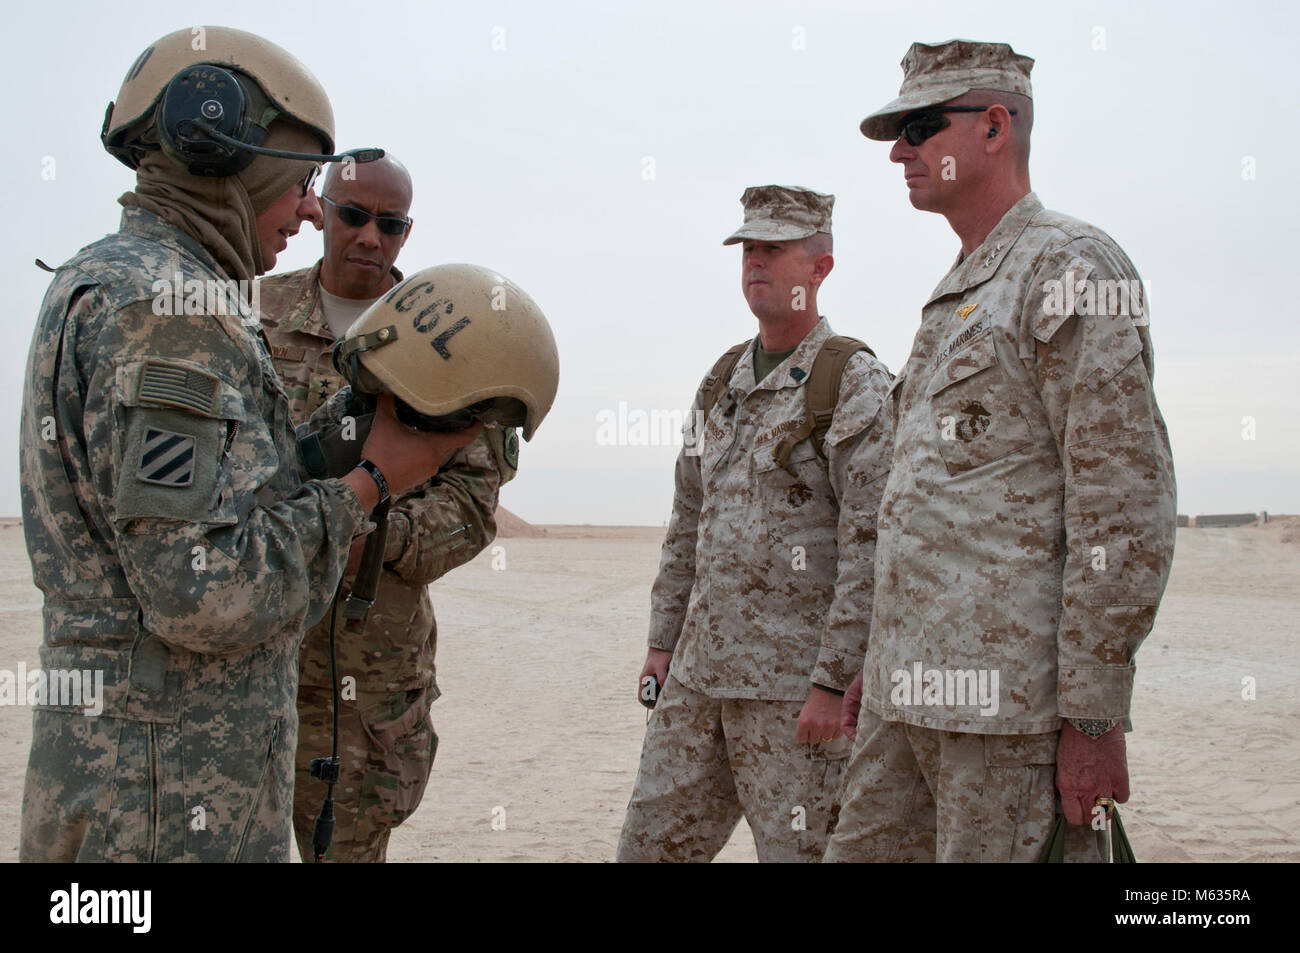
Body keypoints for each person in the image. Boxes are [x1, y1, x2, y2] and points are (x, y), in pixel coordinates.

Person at [17, 26, 480, 862]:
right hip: (168, 788)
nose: (310, 208)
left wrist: (346, 425)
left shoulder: (122, 279)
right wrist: (372, 481)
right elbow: (206, 592)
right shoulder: (171, 312)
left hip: (126, 770)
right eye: (304, 184)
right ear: (227, 153)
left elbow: (216, 499)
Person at [825, 40, 1177, 863]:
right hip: (904, 705)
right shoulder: (957, 293)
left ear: (992, 127)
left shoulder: (1069, 267)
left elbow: (1121, 501)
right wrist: (877, 661)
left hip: (1005, 720)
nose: (898, 150)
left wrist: (1093, 715)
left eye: (918, 126)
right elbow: (931, 504)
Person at [616, 185, 895, 862]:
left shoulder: (850, 381)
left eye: (775, 248)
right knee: (647, 849)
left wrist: (834, 681)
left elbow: (872, 545)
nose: (755, 262)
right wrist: (663, 641)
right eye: (748, 248)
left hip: (794, 695)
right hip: (698, 679)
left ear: (820, 266)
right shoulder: (722, 382)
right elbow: (687, 521)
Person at [257, 155, 516, 862]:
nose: (369, 236)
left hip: (364, 680)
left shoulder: (447, 343)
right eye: (352, 215)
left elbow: (468, 508)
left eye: (390, 223)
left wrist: (365, 531)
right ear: (322, 212)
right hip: (248, 661)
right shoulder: (251, 316)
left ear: (407, 232)